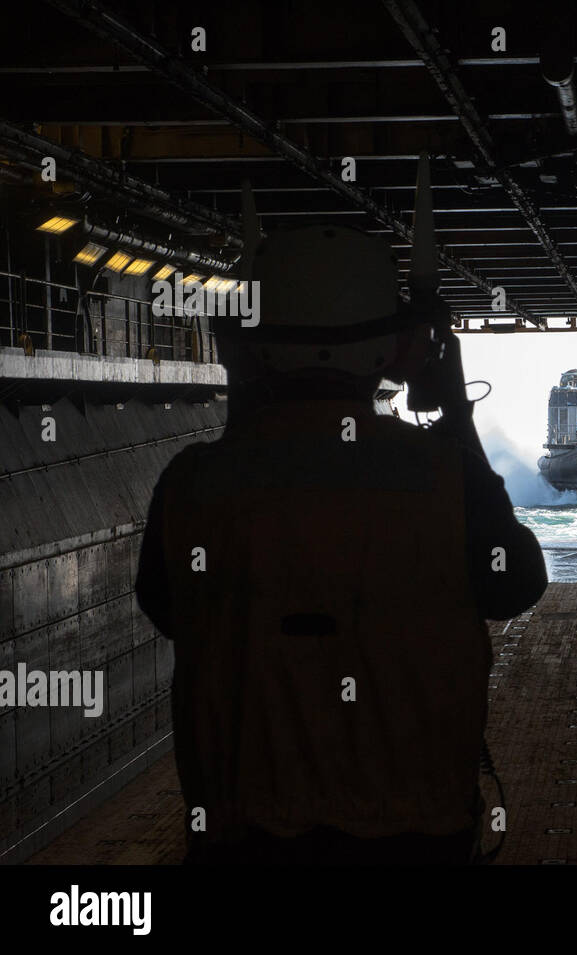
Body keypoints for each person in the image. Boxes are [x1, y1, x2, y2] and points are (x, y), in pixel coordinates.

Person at [134, 213, 547, 865]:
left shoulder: (192, 483)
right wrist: (451, 406)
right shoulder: (446, 474)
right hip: (415, 832)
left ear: (247, 343)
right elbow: (517, 585)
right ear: (398, 348)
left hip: (242, 838)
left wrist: (248, 396)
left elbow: (168, 608)